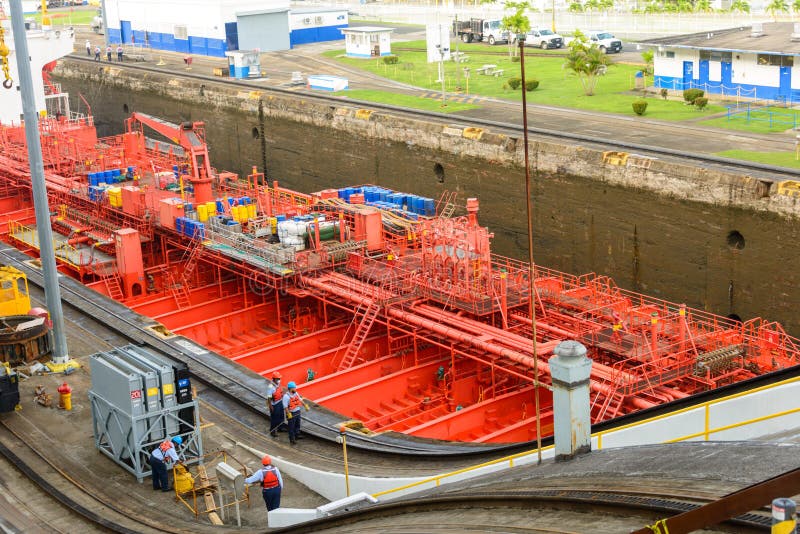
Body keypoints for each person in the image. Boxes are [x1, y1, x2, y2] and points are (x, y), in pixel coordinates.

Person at [266, 372, 285, 437]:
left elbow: (281, 391)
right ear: (274, 379)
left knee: (281, 416)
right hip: (274, 404)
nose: (279, 380)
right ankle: (273, 431)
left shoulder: (278, 384)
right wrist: (270, 406)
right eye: (278, 378)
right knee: (274, 418)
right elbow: (269, 397)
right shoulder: (270, 387)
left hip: (280, 402)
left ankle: (280, 428)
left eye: (279, 378)